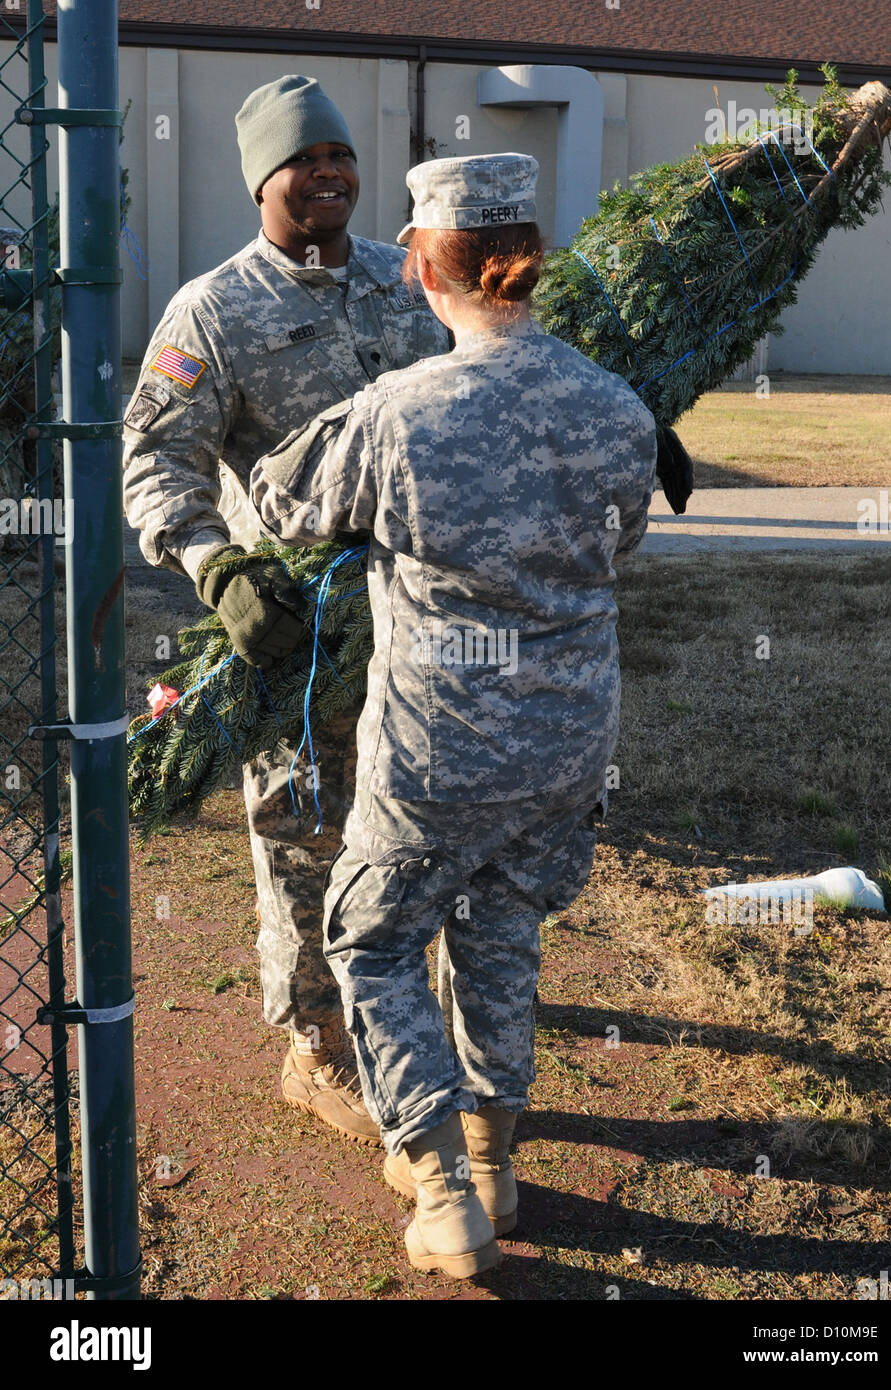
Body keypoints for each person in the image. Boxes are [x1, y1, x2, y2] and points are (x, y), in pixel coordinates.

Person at [250, 151, 656, 1278]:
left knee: (371, 939)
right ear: (528, 265)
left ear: (426, 267)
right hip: (570, 742)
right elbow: (621, 540)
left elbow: (283, 502)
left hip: (441, 749)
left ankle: (439, 1190)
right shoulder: (615, 404)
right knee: (502, 927)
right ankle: (494, 1165)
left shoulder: (397, 412)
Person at [122, 75, 450, 1145]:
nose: (328, 176)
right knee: (306, 831)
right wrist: (218, 567)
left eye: (341, 157)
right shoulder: (212, 310)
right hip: (298, 632)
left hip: (424, 615)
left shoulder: (413, 281)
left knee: (421, 821)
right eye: (303, 161)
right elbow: (157, 461)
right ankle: (317, 1048)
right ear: (263, 179)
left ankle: (420, 994)